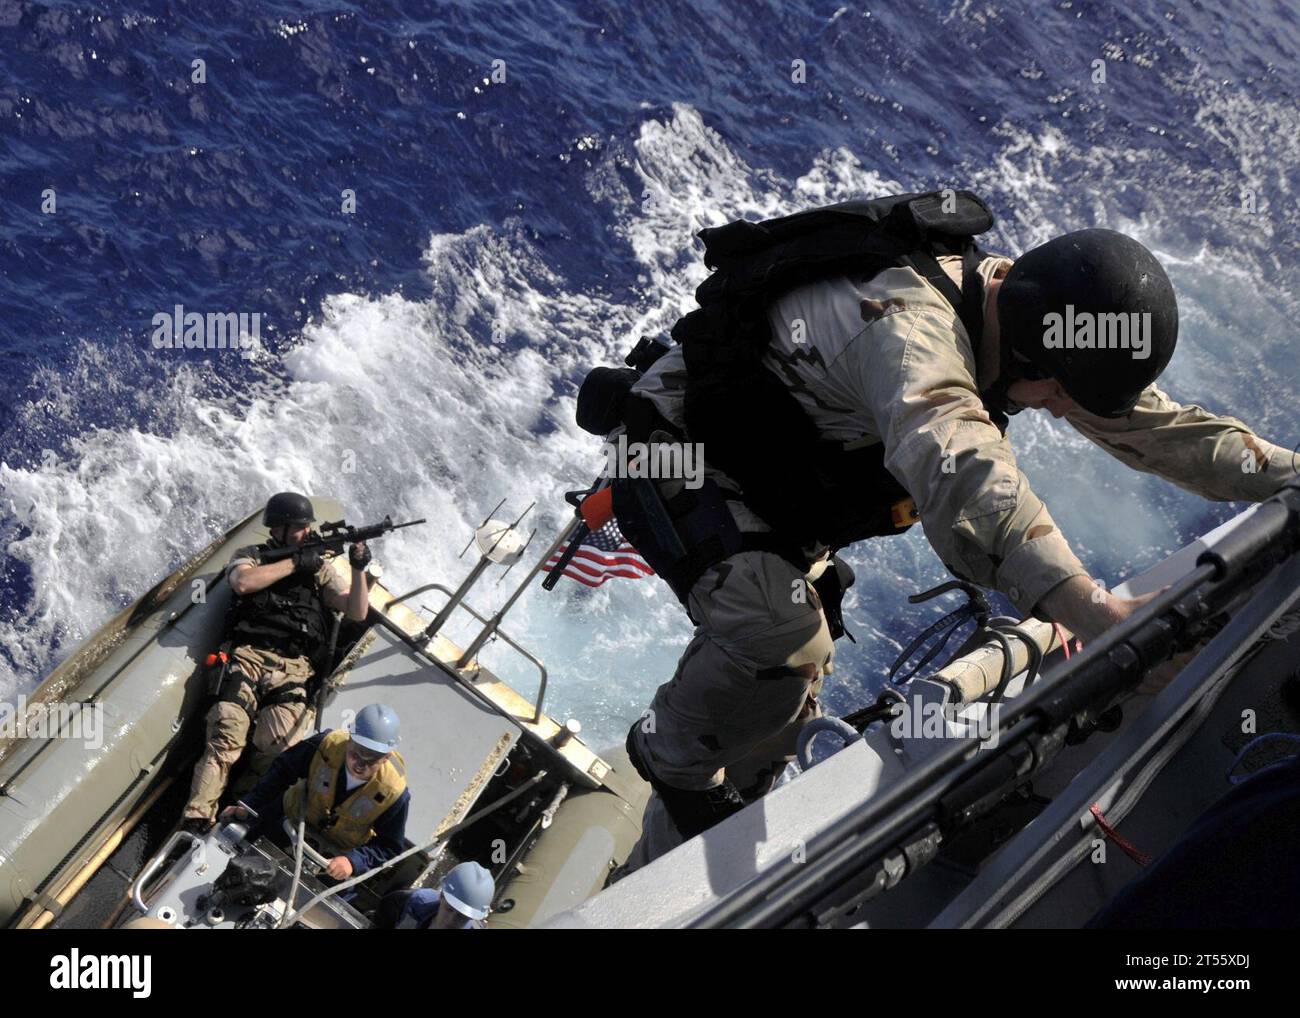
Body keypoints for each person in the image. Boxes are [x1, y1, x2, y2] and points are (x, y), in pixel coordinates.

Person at [612, 197, 1299, 871]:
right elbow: (957, 466)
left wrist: (1291, 476)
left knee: (772, 713)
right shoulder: (904, 331)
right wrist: (1096, 613)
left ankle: (670, 848)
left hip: (775, 480)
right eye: (1059, 395)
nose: (1062, 414)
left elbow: (1157, 430)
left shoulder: (1030, 319)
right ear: (1030, 358)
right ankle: (666, 759)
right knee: (781, 636)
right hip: (677, 449)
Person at [182, 492, 373, 832]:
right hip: (249, 656)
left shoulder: (321, 572)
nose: (304, 532)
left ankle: (236, 808)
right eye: (298, 527)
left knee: (280, 746)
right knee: (227, 733)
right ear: (279, 530)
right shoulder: (253, 556)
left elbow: (356, 610)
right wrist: (297, 563)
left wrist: (359, 570)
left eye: (306, 527)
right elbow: (242, 582)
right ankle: (196, 818)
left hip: (293, 668)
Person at [220, 703, 409, 881]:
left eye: (371, 760)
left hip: (333, 861)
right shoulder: (325, 746)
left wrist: (353, 862)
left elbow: (388, 846)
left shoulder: (394, 792)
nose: (360, 765)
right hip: (288, 822)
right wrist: (249, 806)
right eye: (355, 754)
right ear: (349, 739)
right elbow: (281, 773)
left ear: (386, 757)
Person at [376, 862, 495, 929]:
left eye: (461, 916)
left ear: (472, 917)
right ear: (442, 895)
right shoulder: (411, 903)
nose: (451, 920)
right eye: (449, 909)